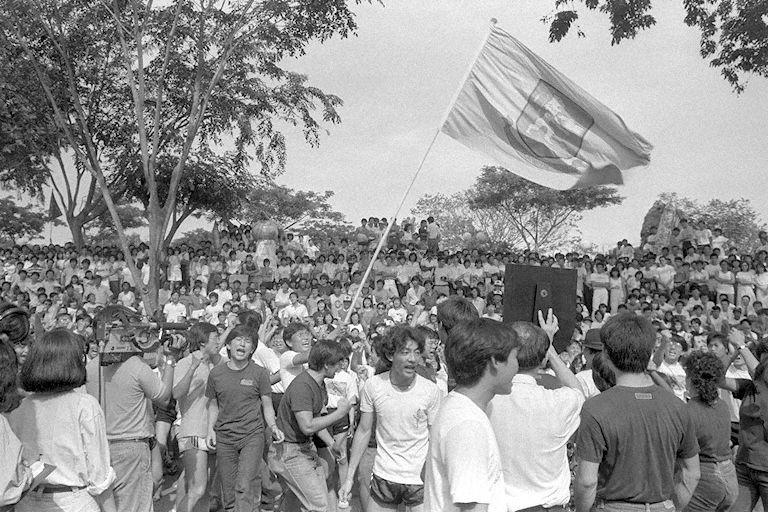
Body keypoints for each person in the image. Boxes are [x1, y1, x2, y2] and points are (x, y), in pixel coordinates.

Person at [574, 312, 700, 512]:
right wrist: (669, 507)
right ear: (649, 352)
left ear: (605, 353)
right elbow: (692, 474)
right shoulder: (677, 406)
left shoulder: (595, 408)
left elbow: (587, 481)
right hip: (662, 506)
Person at [10, 328, 116, 512]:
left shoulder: (20, 407)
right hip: (74, 500)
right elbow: (99, 475)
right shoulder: (84, 405)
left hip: (27, 501)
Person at [488, 312, 585, 512]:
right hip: (549, 506)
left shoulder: (487, 399)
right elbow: (577, 390)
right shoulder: (558, 401)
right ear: (543, 360)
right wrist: (548, 348)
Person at [341, 325, 443, 511]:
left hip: (419, 480)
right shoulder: (374, 386)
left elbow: (435, 436)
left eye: (417, 352)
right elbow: (363, 430)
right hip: (384, 477)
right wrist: (349, 478)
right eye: (405, 352)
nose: (412, 359)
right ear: (390, 355)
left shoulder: (431, 391)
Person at [423, 318, 521, 512]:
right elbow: (472, 507)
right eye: (515, 357)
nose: (517, 367)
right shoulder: (467, 424)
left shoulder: (459, 407)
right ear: (495, 361)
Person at [85, 325, 179, 512]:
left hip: (99, 446)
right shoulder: (136, 365)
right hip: (131, 447)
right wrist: (171, 359)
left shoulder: (91, 366)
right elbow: (164, 398)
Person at [268, 340, 353, 512]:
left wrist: (331, 444)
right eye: (337, 363)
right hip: (289, 452)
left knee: (297, 503)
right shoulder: (303, 387)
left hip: (303, 448)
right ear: (326, 365)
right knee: (319, 504)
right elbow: (307, 426)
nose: (340, 368)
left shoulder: (318, 384)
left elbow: (316, 420)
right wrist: (339, 413)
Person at [206, 325, 283, 512]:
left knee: (244, 484)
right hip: (225, 437)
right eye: (238, 340)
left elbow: (267, 404)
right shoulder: (216, 374)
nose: (242, 344)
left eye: (247, 341)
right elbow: (213, 404)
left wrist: (273, 426)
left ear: (252, 348)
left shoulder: (259, 373)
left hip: (252, 436)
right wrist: (210, 430)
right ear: (228, 345)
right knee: (229, 490)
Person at [172, 322, 224, 512]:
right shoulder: (185, 363)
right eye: (215, 338)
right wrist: (193, 367)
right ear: (202, 342)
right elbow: (176, 393)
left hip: (212, 431)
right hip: (193, 431)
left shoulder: (216, 363)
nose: (218, 342)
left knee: (206, 491)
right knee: (197, 489)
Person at [683, 351, 738, 511]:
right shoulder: (722, 405)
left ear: (691, 379)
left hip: (706, 477)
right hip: (729, 476)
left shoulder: (689, 411)